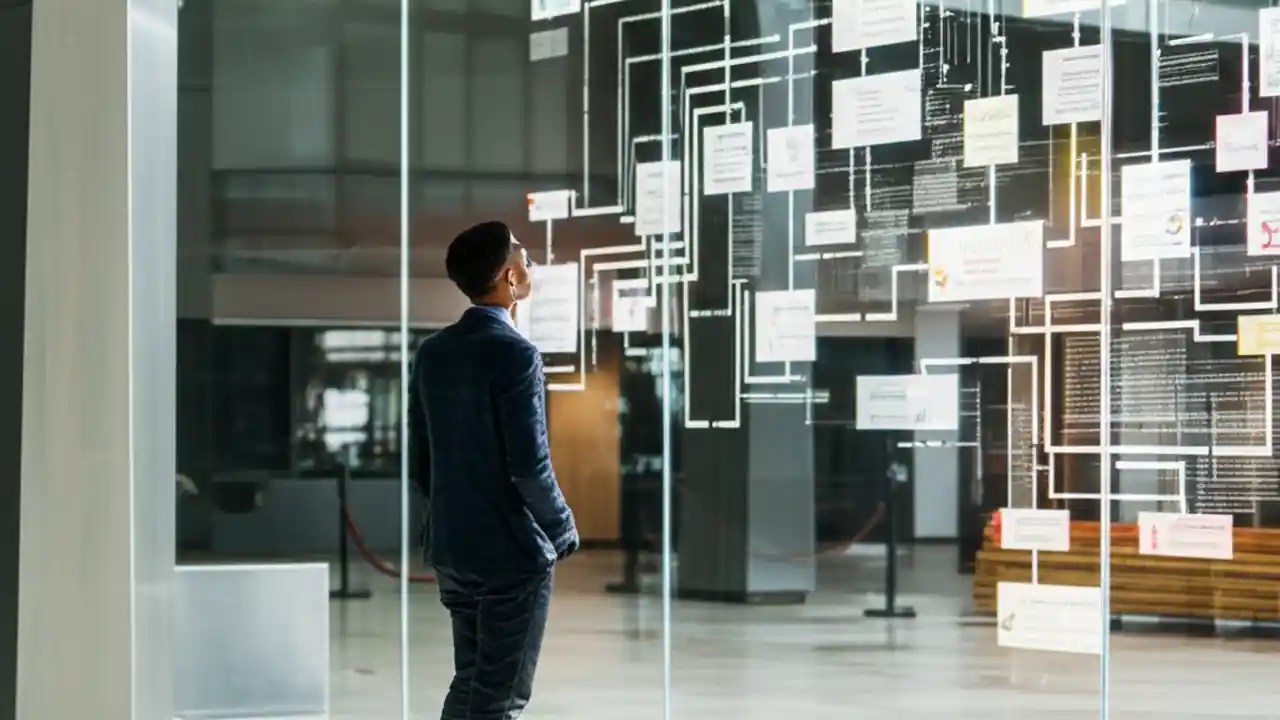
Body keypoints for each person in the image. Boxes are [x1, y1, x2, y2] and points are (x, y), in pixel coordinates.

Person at [409, 220, 579, 720]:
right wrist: (560, 527)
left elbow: (423, 462)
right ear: (508, 278)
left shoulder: (434, 353)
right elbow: (529, 463)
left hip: (452, 548)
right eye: (523, 256)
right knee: (500, 698)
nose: (530, 265)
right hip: (509, 555)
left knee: (470, 682)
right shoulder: (516, 354)